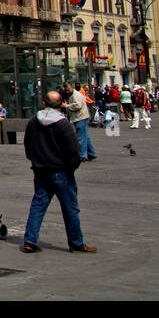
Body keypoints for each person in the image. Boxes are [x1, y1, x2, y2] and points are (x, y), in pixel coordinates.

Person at [22, 90, 96, 254]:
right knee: (70, 208)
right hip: (61, 172)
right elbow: (73, 151)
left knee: (38, 206)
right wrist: (70, 168)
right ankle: (76, 243)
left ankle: (30, 240)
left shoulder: (34, 121)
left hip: (41, 171)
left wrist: (36, 161)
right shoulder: (64, 124)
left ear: (43, 103)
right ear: (61, 104)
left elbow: (27, 145)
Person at [61, 83, 95, 161]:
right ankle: (91, 153)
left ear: (72, 88)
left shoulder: (77, 95)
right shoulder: (71, 94)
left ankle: (82, 155)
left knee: (80, 137)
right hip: (80, 117)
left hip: (80, 117)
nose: (67, 91)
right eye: (66, 90)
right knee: (85, 136)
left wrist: (66, 106)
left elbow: (78, 105)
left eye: (68, 90)